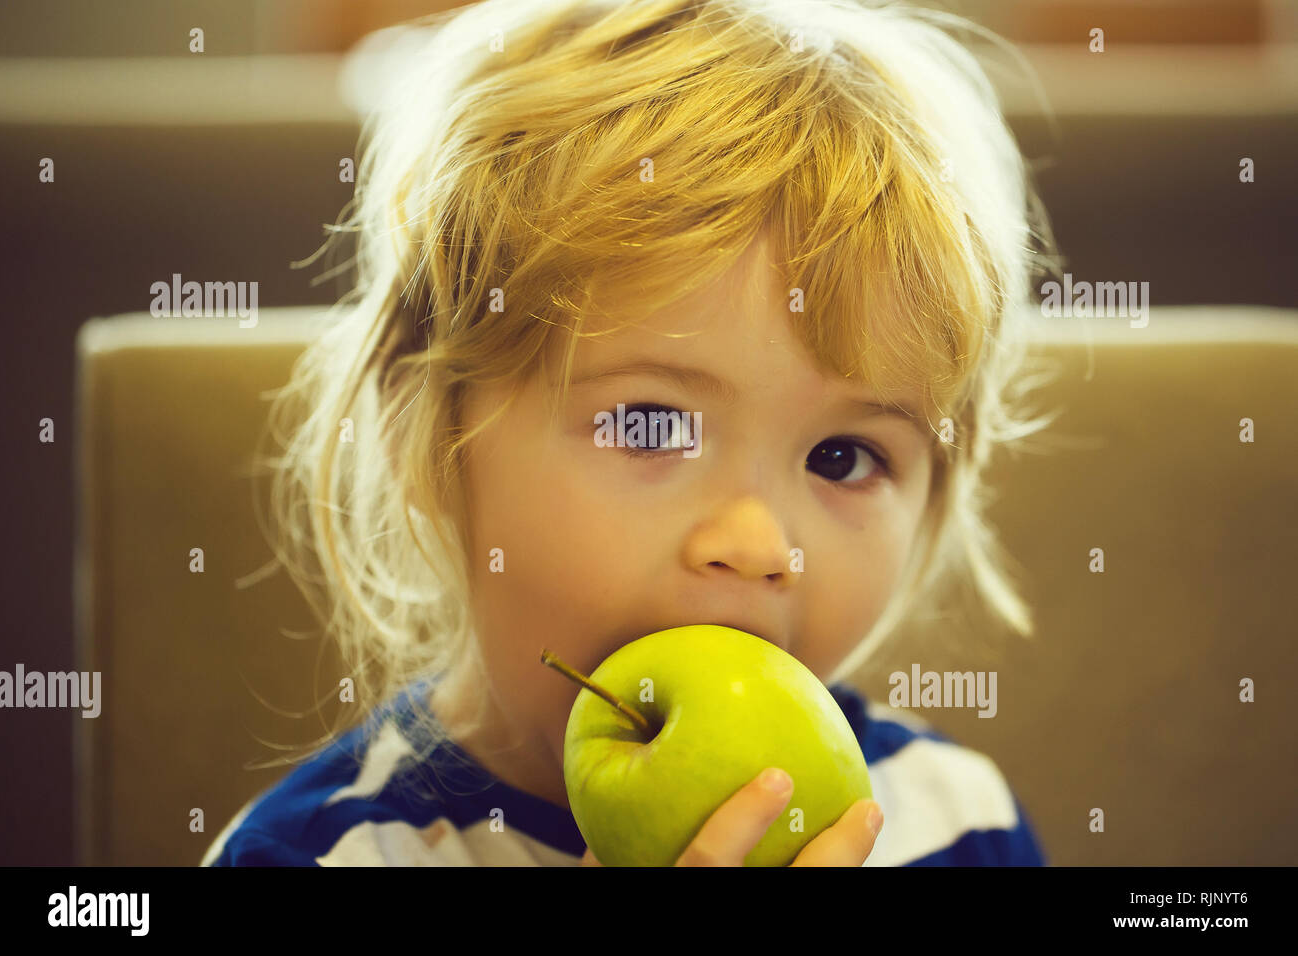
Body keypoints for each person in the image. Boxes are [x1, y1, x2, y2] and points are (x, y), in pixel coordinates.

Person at [204, 0, 1058, 867]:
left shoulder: (958, 824)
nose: (759, 544)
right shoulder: (324, 856)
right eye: (652, 426)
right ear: (422, 433)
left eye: (842, 458)